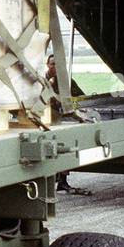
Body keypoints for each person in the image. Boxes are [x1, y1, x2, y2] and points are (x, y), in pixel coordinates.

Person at [46, 55, 90, 196]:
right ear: (47, 65)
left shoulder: (66, 82)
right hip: (46, 121)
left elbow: (80, 98)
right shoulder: (42, 81)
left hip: (61, 120)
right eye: (52, 64)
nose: (55, 67)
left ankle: (62, 182)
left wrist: (80, 113)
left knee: (64, 149)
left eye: (57, 65)